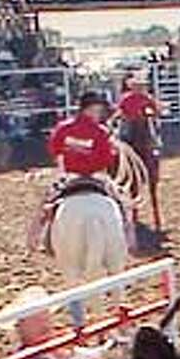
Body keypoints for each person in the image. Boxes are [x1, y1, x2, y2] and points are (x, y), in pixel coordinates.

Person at [31, 91, 129, 252]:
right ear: (87, 109)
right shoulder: (101, 132)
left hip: (69, 176)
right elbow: (107, 160)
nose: (98, 114)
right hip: (95, 176)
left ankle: (41, 237)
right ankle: (126, 236)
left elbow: (54, 149)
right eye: (97, 110)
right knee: (122, 203)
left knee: (46, 204)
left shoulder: (63, 128)